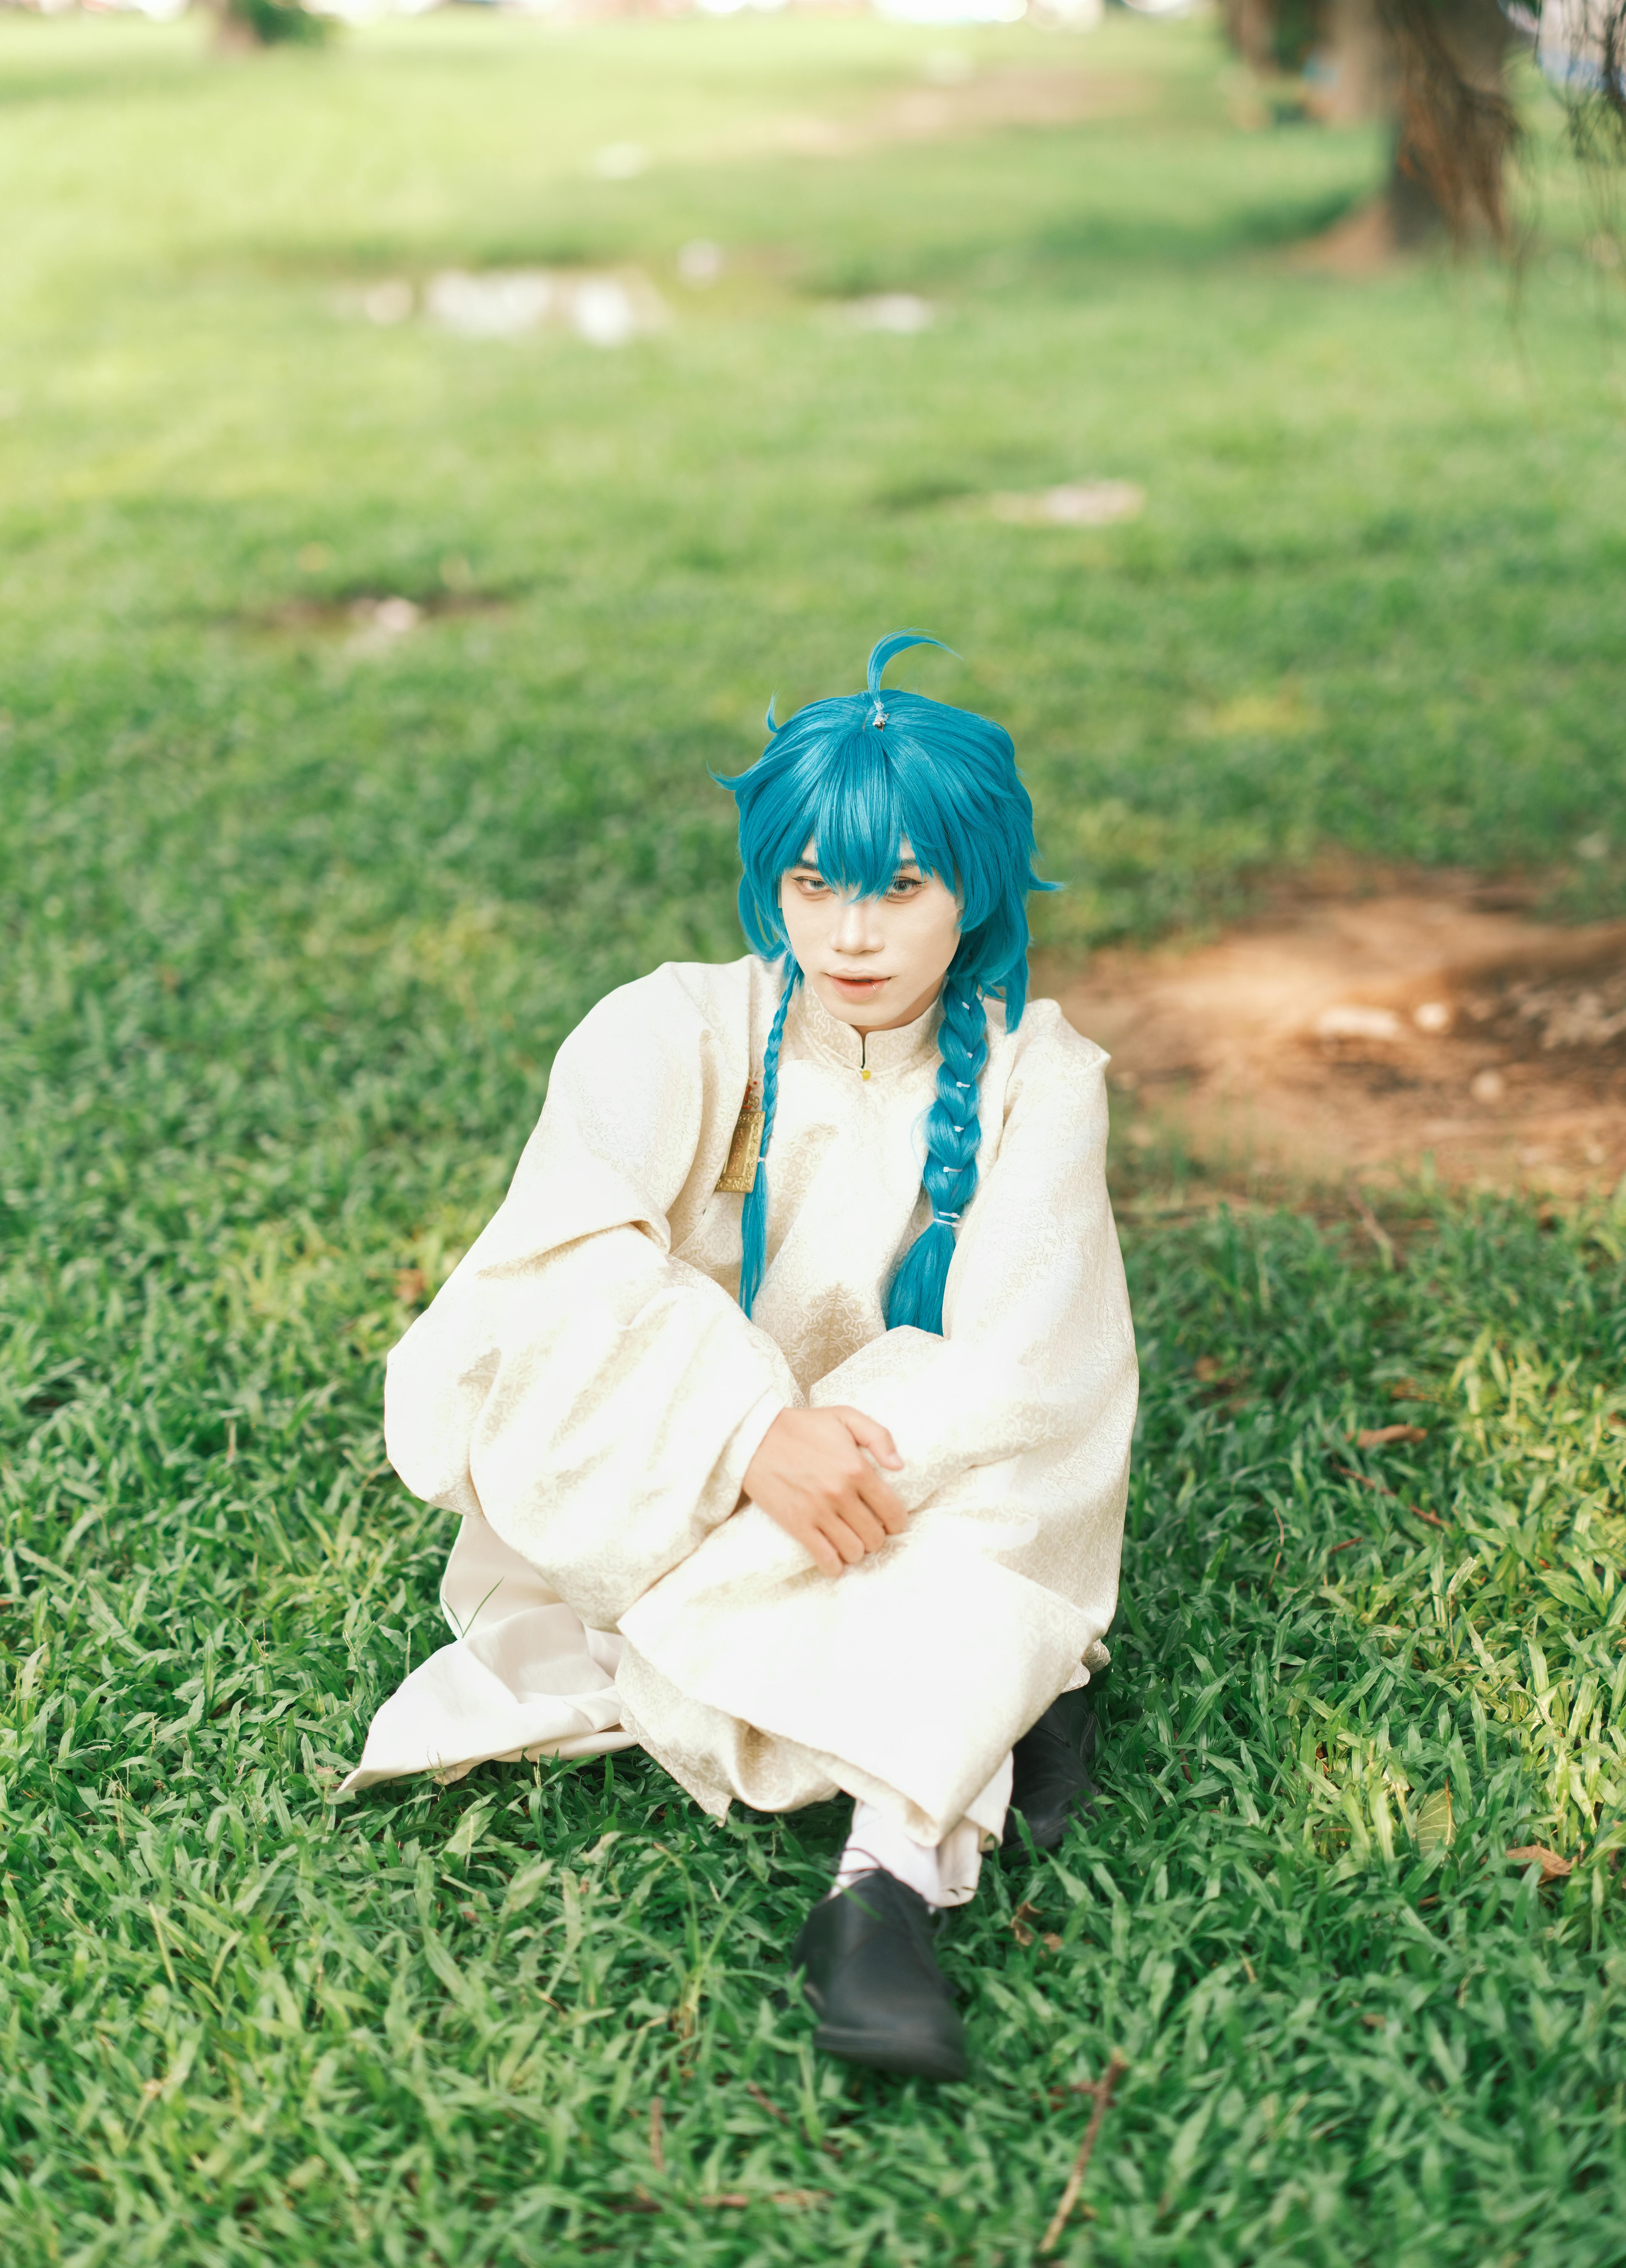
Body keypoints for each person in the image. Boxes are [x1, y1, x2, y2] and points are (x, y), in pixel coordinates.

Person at [344, 633, 1139, 2081]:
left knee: (981, 1503)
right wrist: (740, 1436)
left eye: (901, 887)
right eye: (814, 884)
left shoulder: (1044, 1081)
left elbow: (1030, 1368)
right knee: (904, 1593)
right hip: (682, 1477)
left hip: (906, 1483)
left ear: (974, 889)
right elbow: (552, 1271)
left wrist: (836, 1455)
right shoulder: (669, 1031)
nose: (851, 935)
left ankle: (881, 1892)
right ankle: (1010, 1696)